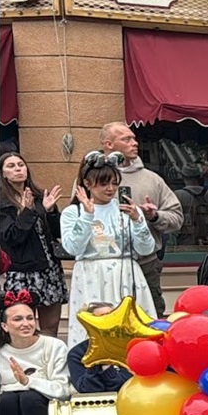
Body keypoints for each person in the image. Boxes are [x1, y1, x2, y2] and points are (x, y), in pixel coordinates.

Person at [60, 153, 158, 345]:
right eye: (104, 184)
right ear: (87, 184)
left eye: (114, 183)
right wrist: (87, 216)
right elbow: (73, 247)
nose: (110, 189)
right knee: (93, 325)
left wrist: (138, 221)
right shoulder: (74, 212)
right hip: (91, 274)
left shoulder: (126, 209)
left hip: (126, 273)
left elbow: (146, 248)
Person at [100, 122, 183, 314]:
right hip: (104, 267)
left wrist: (154, 216)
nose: (134, 143)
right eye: (126, 139)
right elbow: (78, 216)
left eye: (134, 138)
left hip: (145, 264)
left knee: (151, 318)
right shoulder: (92, 179)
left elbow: (177, 218)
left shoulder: (152, 179)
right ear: (109, 145)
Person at [1, 292, 72, 415]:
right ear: (4, 326)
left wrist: (29, 381)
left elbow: (64, 391)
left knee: (29, 397)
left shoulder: (54, 346)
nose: (26, 323)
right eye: (17, 319)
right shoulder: (1, 352)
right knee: (7, 399)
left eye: (30, 318)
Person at [0, 152, 66, 336]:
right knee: (23, 328)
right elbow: (12, 238)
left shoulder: (37, 197)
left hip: (49, 268)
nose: (18, 169)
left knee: (51, 327)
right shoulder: (3, 204)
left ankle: (49, 363)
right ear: (3, 174)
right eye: (11, 166)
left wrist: (51, 211)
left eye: (20, 164)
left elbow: (57, 233)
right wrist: (27, 212)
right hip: (23, 271)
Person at [67, 301, 132, 393]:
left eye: (112, 316)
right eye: (102, 318)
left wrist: (107, 367)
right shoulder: (76, 354)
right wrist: (95, 359)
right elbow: (86, 389)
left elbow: (124, 386)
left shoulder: (129, 348)